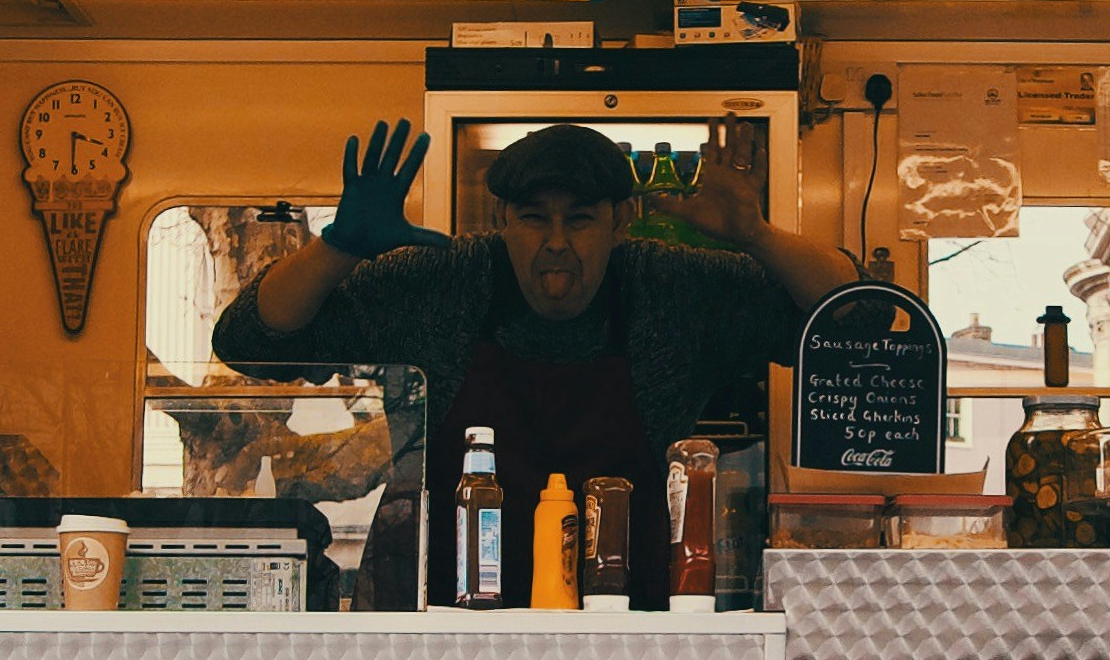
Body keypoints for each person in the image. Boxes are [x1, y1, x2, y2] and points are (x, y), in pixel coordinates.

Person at [220, 120, 858, 603]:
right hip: (437, 625)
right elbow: (251, 342)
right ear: (501, 218)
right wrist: (337, 250)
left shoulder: (673, 291)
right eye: (533, 219)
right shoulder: (443, 282)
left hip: (622, 633)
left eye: (580, 220)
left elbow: (858, 320)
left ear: (622, 221)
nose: (556, 243)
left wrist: (758, 236)